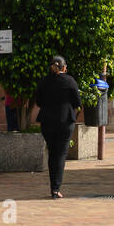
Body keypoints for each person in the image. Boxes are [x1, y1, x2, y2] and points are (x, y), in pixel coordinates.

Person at [35, 55, 81, 199]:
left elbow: (38, 101)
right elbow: (77, 101)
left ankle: (53, 187)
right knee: (60, 155)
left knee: (52, 153)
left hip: (47, 121)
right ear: (64, 67)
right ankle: (56, 189)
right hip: (65, 121)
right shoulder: (69, 80)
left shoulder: (43, 81)